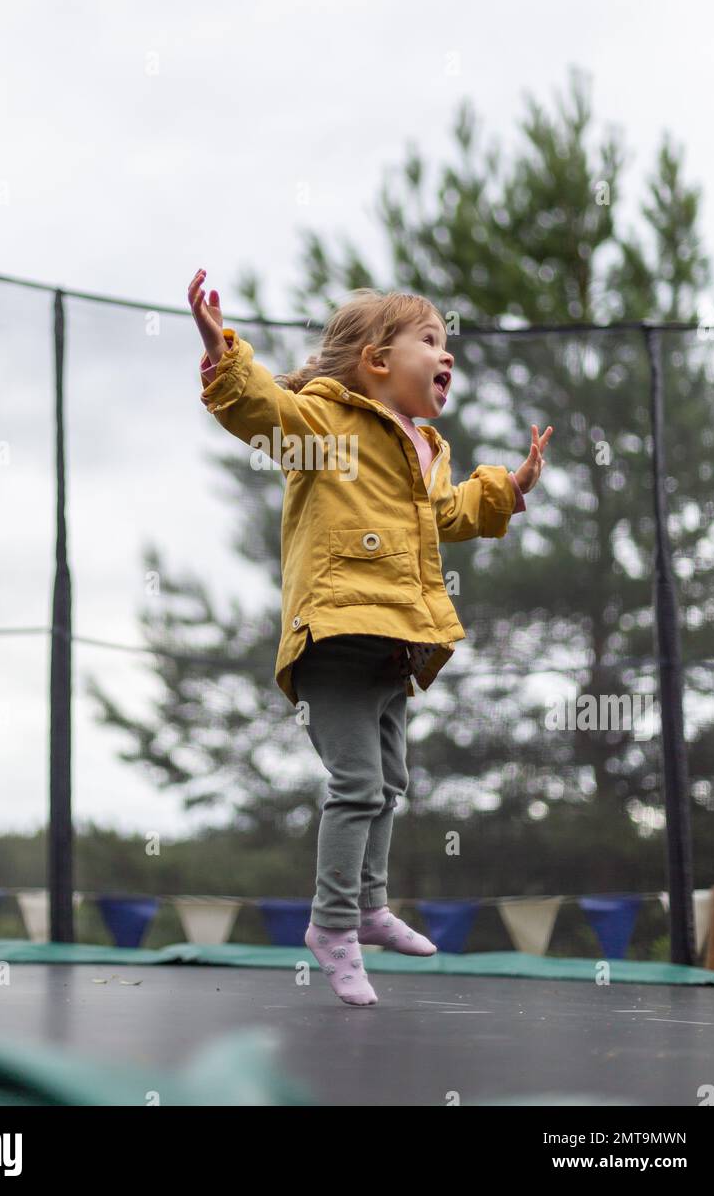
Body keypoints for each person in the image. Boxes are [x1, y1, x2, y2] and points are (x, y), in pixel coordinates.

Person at [188, 270, 552, 1005]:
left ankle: (370, 905)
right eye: (429, 341)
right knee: (357, 785)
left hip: (396, 642)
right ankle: (331, 926)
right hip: (337, 636)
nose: (446, 356)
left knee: (388, 786)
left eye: (448, 346)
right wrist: (221, 349)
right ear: (377, 361)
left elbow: (446, 516)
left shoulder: (426, 451)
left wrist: (506, 489)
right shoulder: (328, 424)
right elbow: (265, 414)